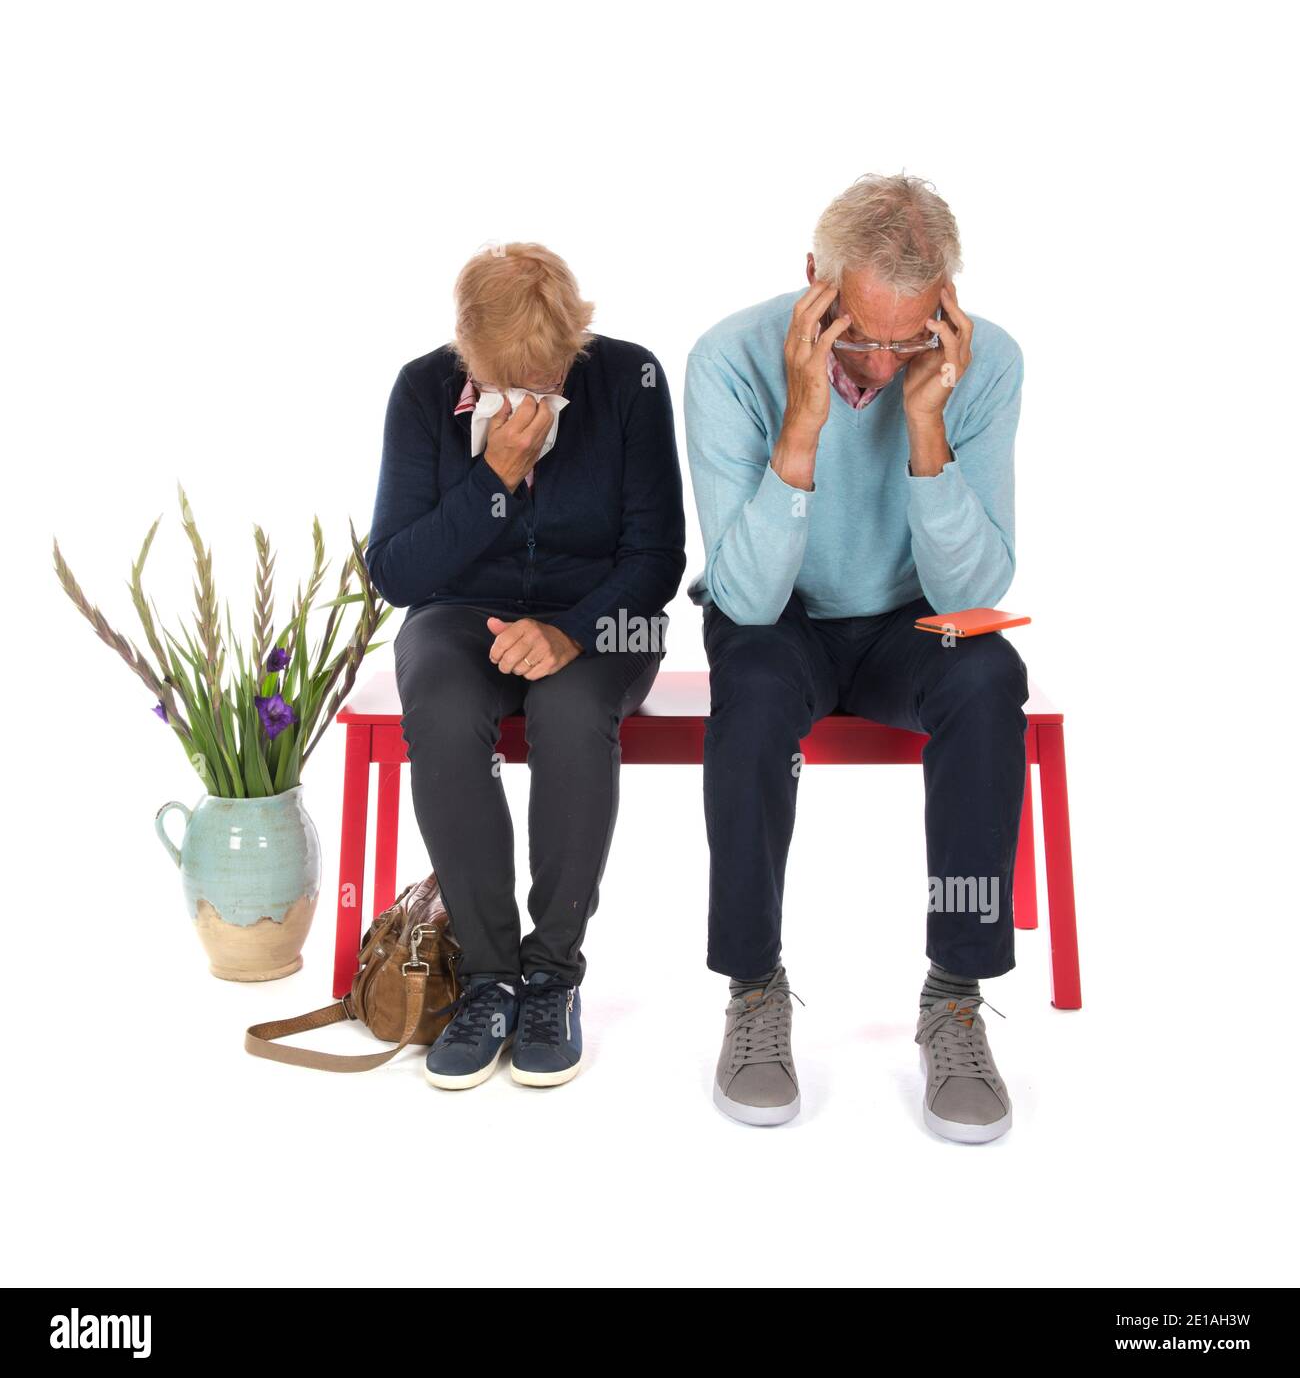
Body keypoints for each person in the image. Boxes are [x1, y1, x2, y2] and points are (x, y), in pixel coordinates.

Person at [684, 175, 1028, 1140]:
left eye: (910, 335)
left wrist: (927, 426)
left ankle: (954, 997)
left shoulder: (984, 364)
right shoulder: (727, 359)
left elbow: (971, 596)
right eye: (859, 333)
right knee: (749, 693)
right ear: (813, 282)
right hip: (777, 613)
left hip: (906, 620)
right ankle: (754, 990)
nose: (880, 362)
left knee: (990, 671)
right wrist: (802, 421)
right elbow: (746, 598)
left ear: (946, 307)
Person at [365, 243, 686, 1091]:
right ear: (466, 353)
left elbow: (657, 559)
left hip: (605, 620)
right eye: (510, 380)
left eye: (548, 379)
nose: (533, 400)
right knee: (433, 686)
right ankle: (488, 978)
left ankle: (551, 978)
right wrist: (494, 477)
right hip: (463, 615)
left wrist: (573, 633)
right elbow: (396, 573)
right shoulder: (421, 390)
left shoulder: (630, 380)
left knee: (573, 713)